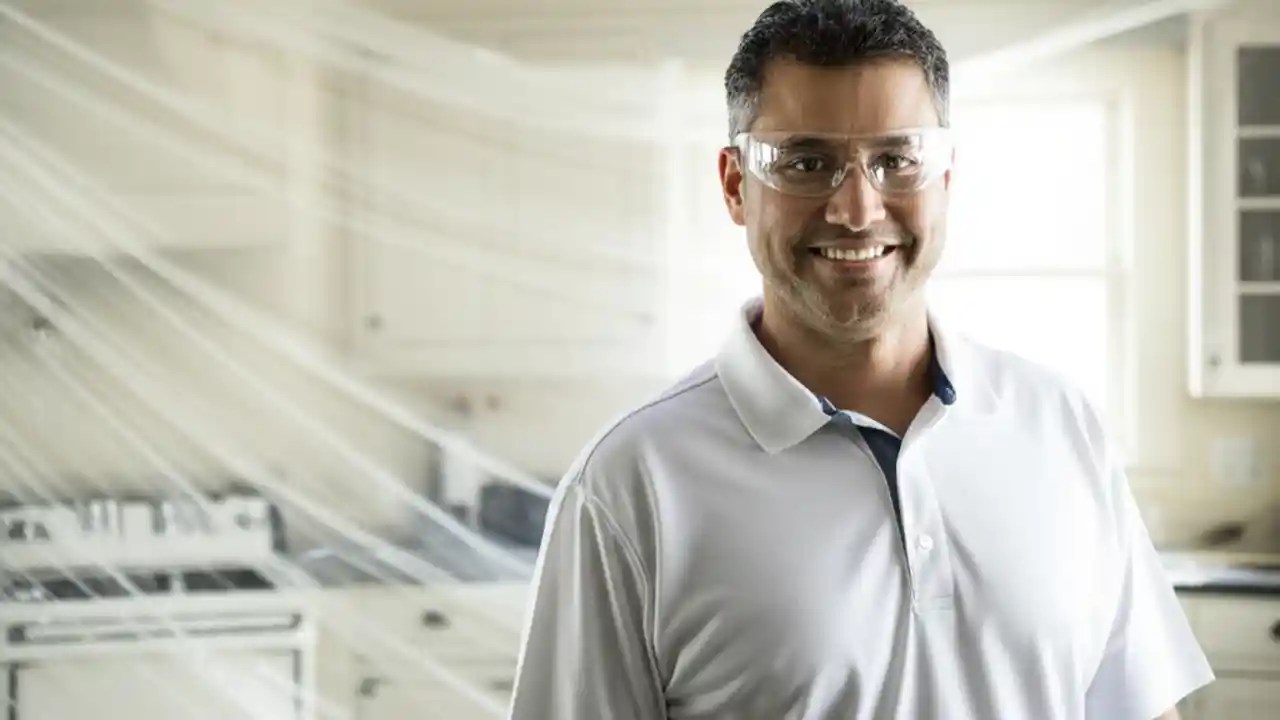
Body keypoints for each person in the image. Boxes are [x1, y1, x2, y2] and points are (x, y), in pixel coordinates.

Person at [507, 1, 1214, 718]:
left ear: (945, 178)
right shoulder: (632, 483)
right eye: (807, 162)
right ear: (733, 186)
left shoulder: (1062, 426)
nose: (855, 208)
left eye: (896, 160)